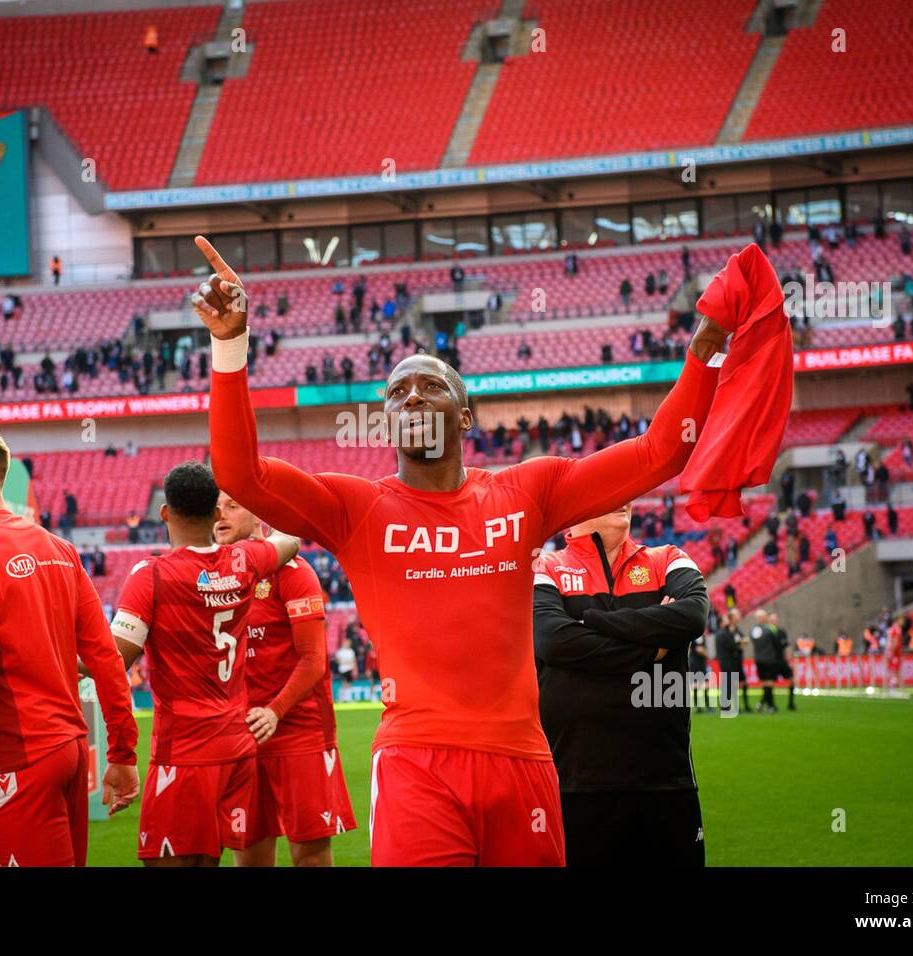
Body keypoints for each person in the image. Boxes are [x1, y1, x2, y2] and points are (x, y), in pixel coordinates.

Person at [191, 235, 732, 866]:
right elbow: (239, 473)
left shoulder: (529, 490)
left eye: (429, 386)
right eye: (397, 393)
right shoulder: (355, 508)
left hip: (524, 762)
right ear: (388, 421)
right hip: (416, 761)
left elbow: (660, 452)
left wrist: (704, 348)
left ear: (465, 418)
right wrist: (230, 345)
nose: (411, 397)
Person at [0, 425, 139, 867]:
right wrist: (122, 750)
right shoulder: (60, 549)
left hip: (19, 758)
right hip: (70, 751)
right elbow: (104, 657)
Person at [109, 463, 300, 866]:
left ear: (164, 512)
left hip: (185, 751)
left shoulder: (151, 575)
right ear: (216, 513)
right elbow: (292, 541)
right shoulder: (245, 561)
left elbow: (111, 661)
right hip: (236, 748)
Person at [532, 502, 709, 867]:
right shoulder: (546, 567)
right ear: (576, 506)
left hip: (666, 783)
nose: (624, 499)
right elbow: (553, 639)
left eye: (627, 492)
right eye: (609, 492)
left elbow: (692, 615)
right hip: (574, 785)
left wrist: (590, 622)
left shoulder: (668, 558)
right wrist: (652, 648)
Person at [214, 492, 357, 867]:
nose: (220, 515)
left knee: (308, 851)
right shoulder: (215, 577)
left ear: (259, 513)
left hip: (298, 729)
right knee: (249, 849)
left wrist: (275, 711)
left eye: (232, 505)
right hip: (242, 735)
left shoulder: (293, 572)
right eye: (215, 508)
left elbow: (313, 660)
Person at [713, 609, 749, 714]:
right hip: (727, 661)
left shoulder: (735, 630)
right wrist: (740, 644)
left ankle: (742, 706)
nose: (739, 616)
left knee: (740, 683)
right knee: (728, 683)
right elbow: (733, 645)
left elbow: (742, 640)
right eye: (737, 614)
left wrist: (740, 643)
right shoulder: (723, 633)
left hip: (736, 661)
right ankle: (725, 706)